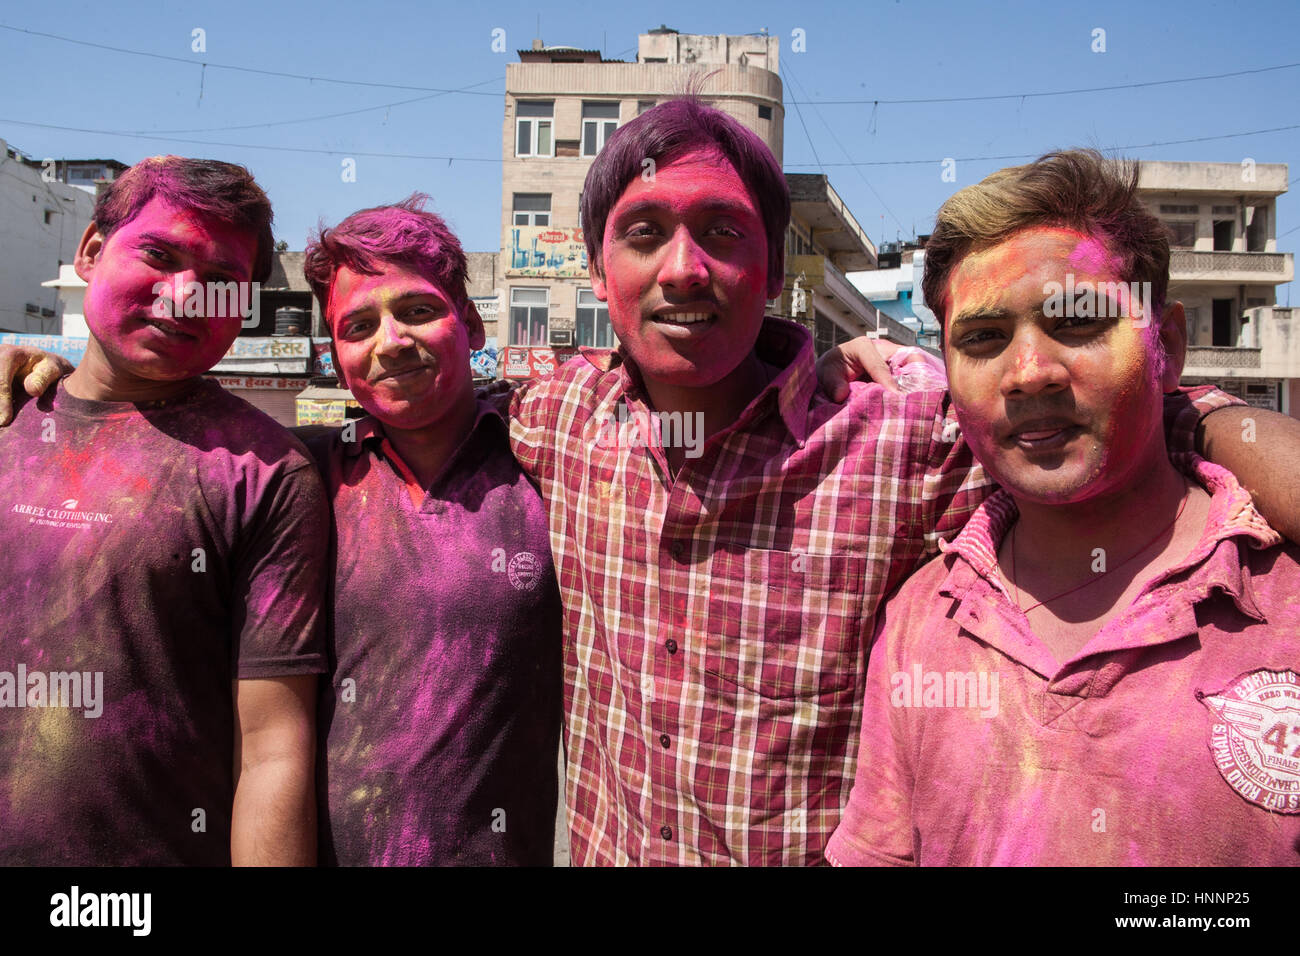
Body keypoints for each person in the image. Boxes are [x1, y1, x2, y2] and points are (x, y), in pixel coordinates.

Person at [493, 100, 1296, 864]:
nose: (684, 270)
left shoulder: (905, 442)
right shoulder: (559, 423)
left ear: (774, 270)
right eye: (642, 233)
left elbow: (1070, 424)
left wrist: (1186, 409)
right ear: (597, 270)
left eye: (722, 232)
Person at [825, 150, 1300, 866]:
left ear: (1164, 345)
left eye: (1076, 322)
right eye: (983, 338)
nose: (1030, 373)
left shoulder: (1282, 601)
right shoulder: (924, 619)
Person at [0, 156, 328, 865]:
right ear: (90, 251)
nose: (185, 298)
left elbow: (272, 751)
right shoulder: (6, 419)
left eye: (220, 284)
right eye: (158, 255)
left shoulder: (266, 475)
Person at [299, 196, 562, 865]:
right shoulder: (300, 475)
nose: (392, 341)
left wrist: (837, 369)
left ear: (471, 324)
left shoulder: (553, 464)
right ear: (334, 357)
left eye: (417, 310)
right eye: (358, 325)